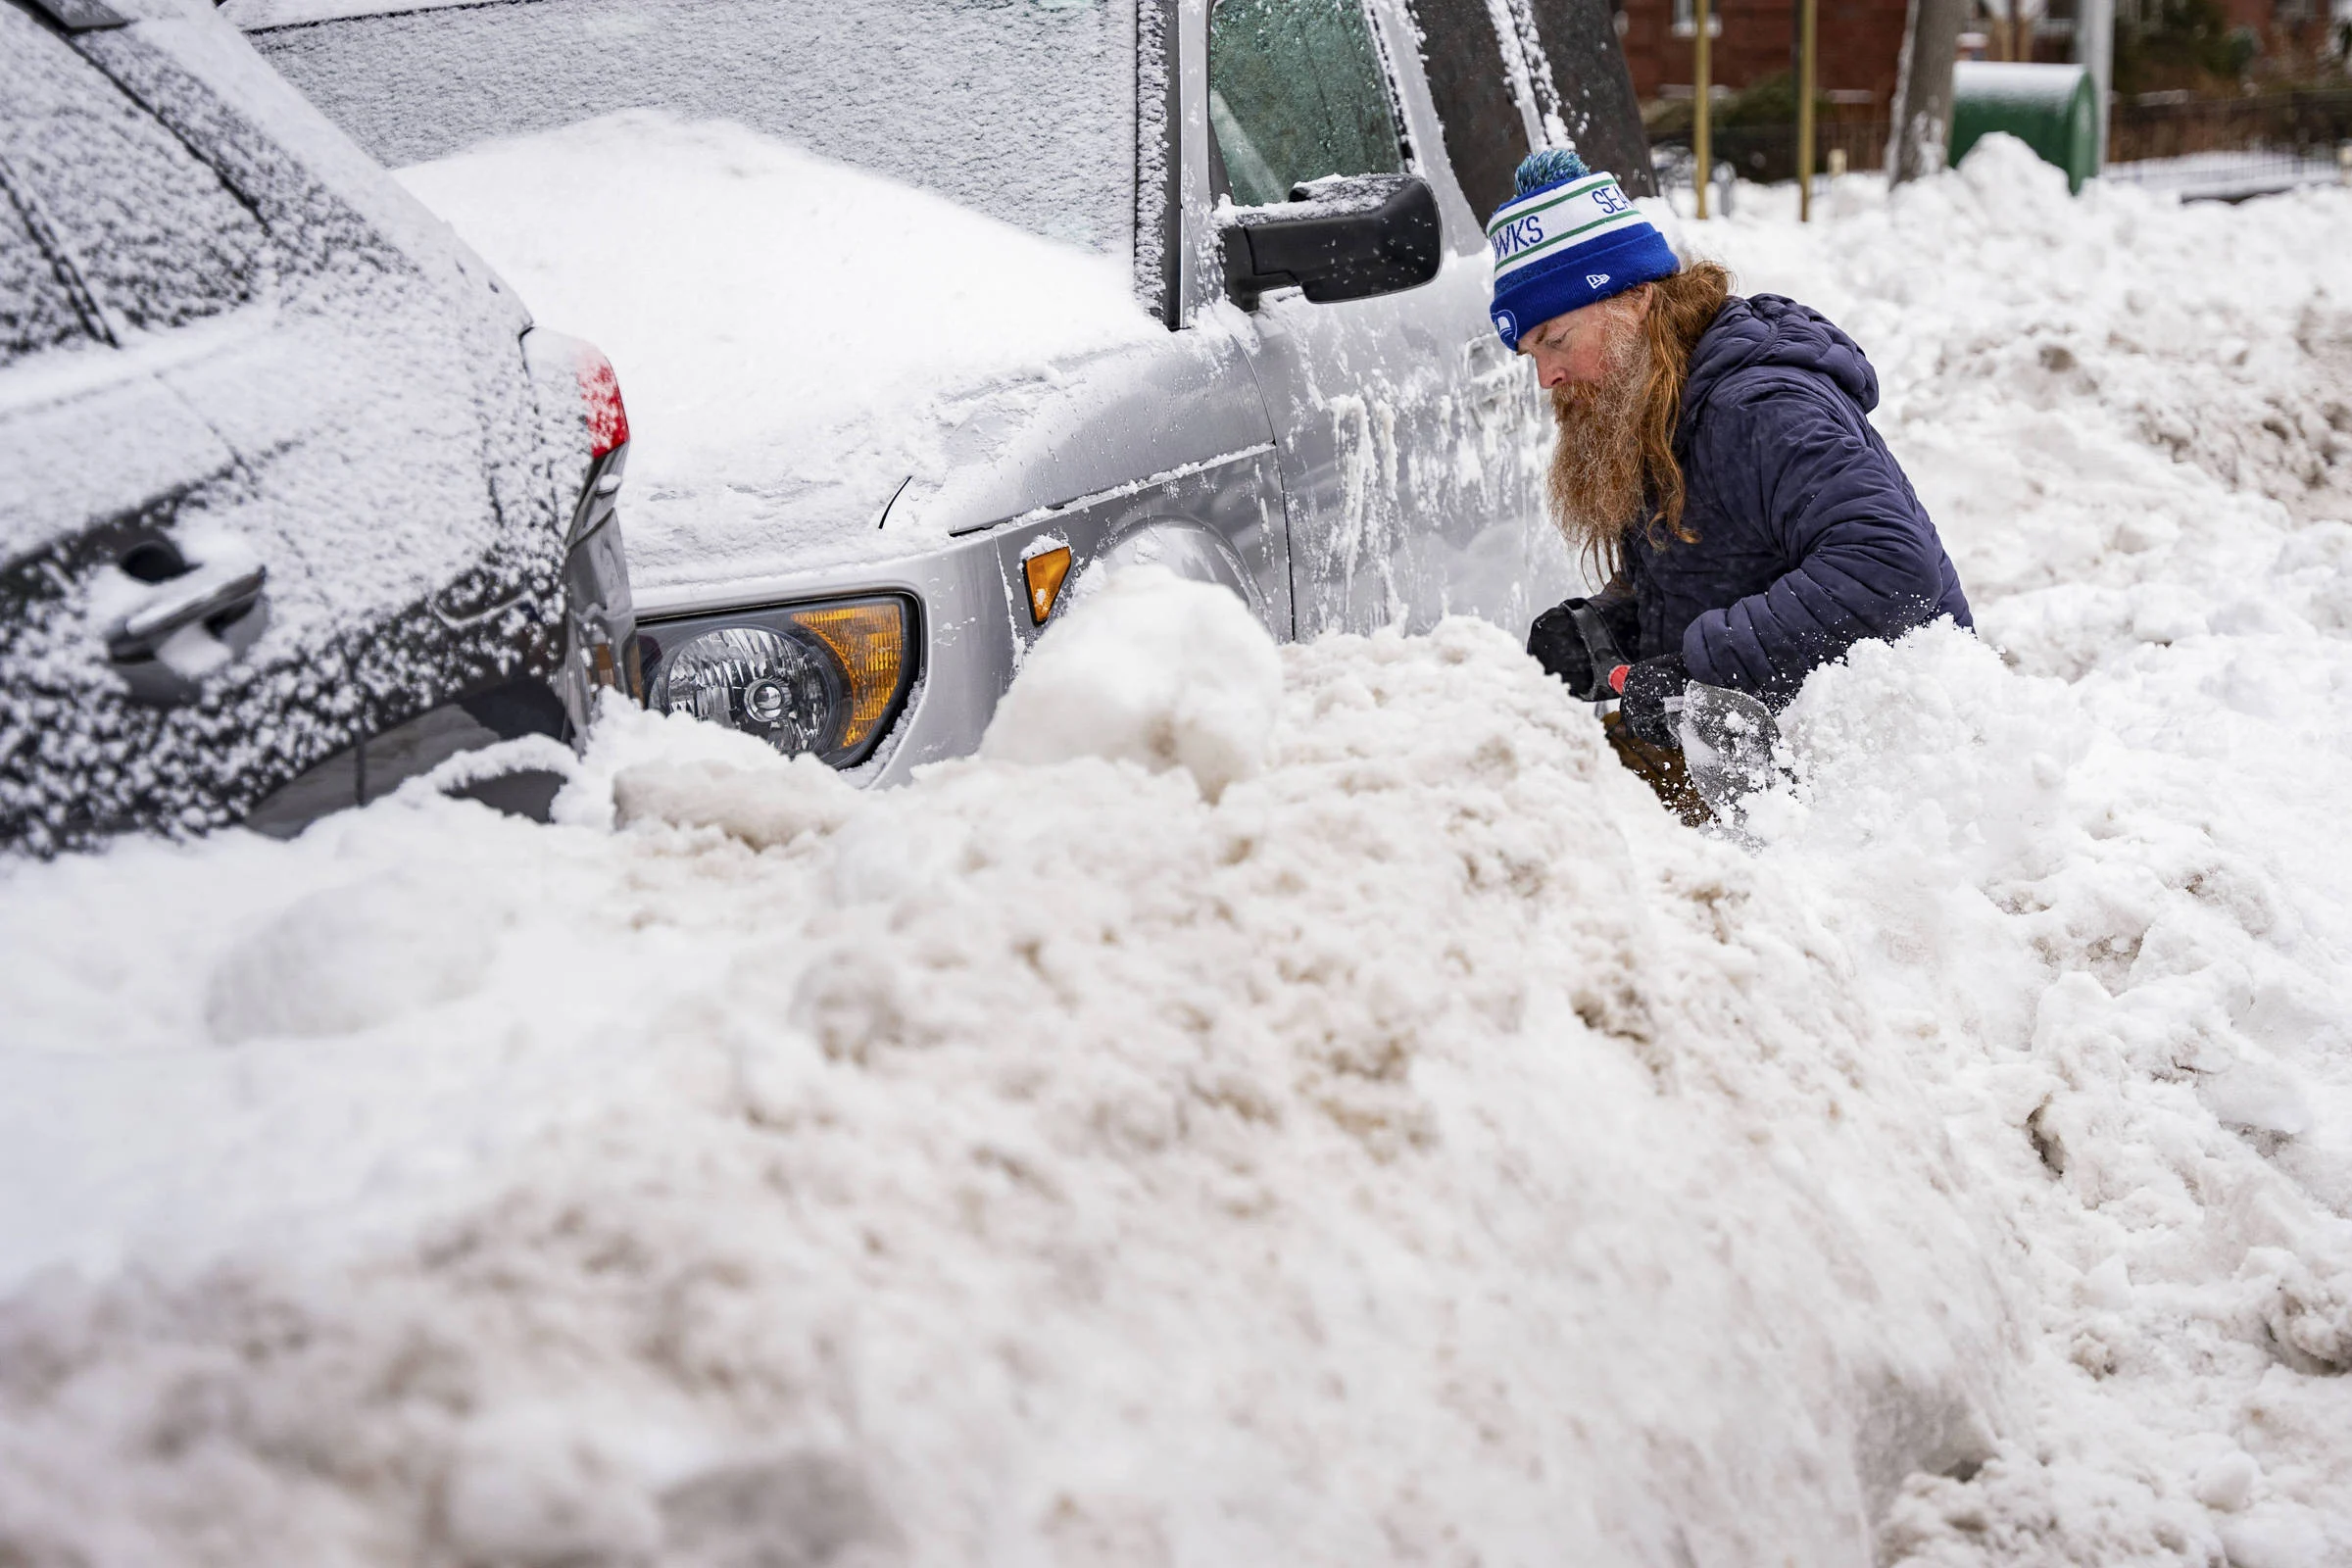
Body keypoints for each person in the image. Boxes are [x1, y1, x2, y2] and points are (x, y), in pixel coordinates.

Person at [1489, 147, 1971, 811]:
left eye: (1556, 340)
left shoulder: (1759, 408)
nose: (1546, 377)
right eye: (1531, 355)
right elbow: (1721, 565)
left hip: (1891, 782)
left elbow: (1889, 566)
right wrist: (1610, 630)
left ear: (1632, 298)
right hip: (1765, 755)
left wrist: (1697, 669)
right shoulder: (1655, 403)